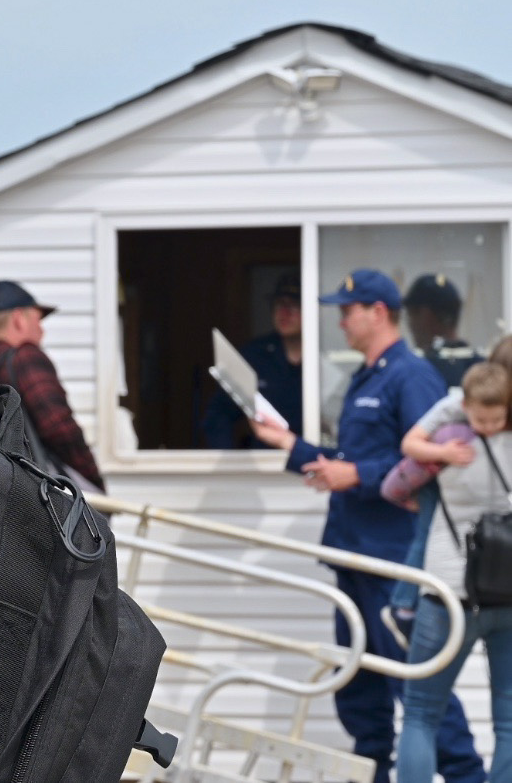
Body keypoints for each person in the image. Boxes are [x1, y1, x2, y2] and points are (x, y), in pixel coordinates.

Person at [251, 268, 484, 783]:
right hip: (353, 555)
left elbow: (431, 461)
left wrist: (358, 474)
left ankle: (468, 776)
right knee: (360, 690)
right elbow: (351, 459)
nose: (340, 322)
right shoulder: (366, 376)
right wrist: (290, 444)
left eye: (347, 311)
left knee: (416, 688)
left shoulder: (410, 375)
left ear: (378, 312)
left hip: (392, 561)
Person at [397, 361, 512, 782]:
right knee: (509, 721)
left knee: (421, 712)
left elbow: (404, 460)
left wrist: (443, 453)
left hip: (447, 593)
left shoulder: (450, 438)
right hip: (507, 593)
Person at [0, 279, 105, 491]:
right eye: (38, 320)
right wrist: (95, 482)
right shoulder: (24, 357)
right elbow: (60, 428)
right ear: (19, 319)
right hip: (28, 495)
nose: (42, 331)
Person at [202, 273, 304, 449]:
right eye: (279, 304)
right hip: (266, 460)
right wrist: (229, 459)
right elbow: (219, 413)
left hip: (315, 459)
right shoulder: (255, 354)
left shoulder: (323, 355)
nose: (284, 313)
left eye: (294, 305)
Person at [404, 274, 484, 388]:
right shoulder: (481, 368)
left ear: (426, 315)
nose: (410, 325)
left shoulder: (416, 371)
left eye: (411, 315)